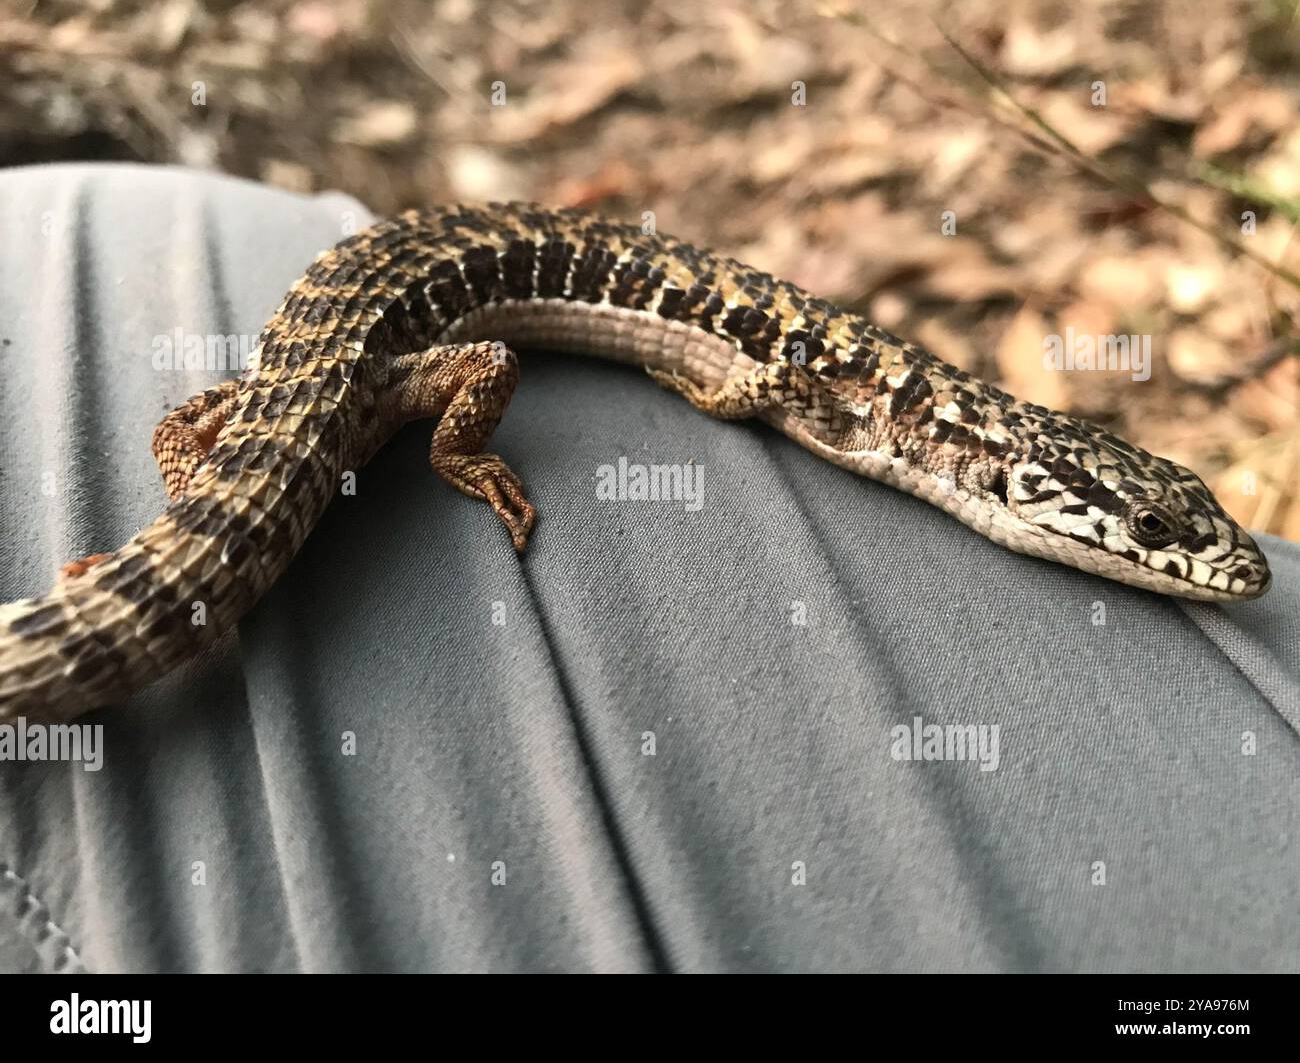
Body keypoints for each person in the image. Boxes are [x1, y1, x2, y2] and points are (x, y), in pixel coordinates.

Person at [0, 163, 1295, 972]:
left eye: (1174, 529)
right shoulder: (874, 412)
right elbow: (739, 388)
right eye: (1171, 534)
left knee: (92, 229)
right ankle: (206, 537)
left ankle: (171, 547)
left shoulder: (944, 434)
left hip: (362, 310)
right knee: (411, 382)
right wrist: (466, 450)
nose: (1203, 562)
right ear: (1035, 480)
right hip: (399, 333)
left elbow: (751, 383)